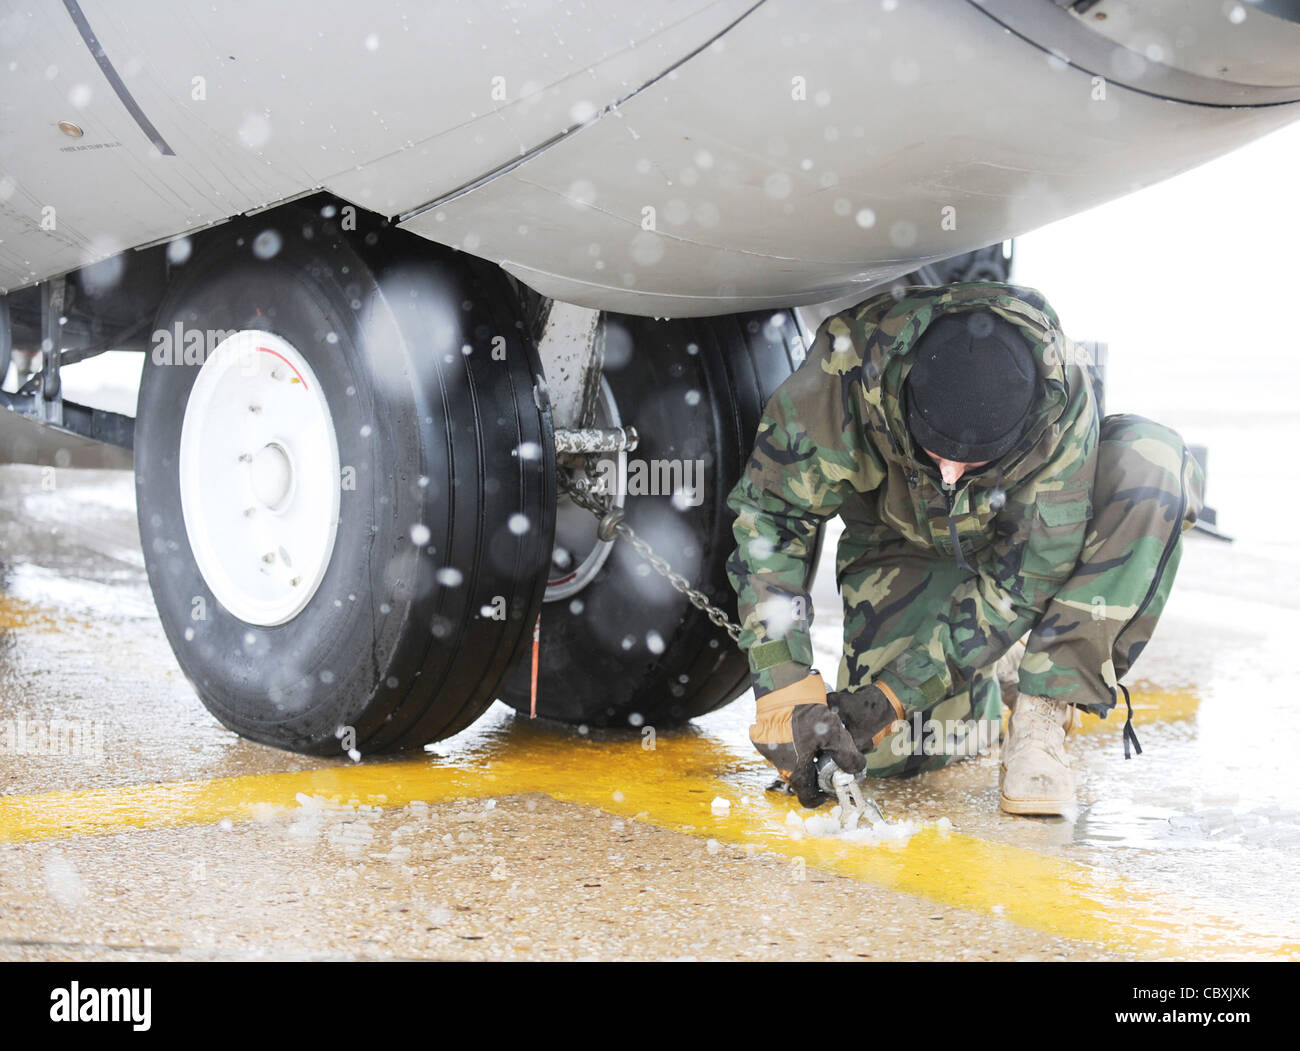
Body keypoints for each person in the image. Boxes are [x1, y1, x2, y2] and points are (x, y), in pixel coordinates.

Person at [726, 281, 1203, 816]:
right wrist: (782, 684)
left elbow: (1020, 586)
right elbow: (771, 519)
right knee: (900, 755)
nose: (950, 472)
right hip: (900, 538)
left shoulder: (1060, 407)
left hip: (1011, 550)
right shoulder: (844, 377)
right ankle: (997, 663)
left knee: (1152, 461)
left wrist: (895, 693)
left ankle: (1044, 703)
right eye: (936, 449)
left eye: (972, 459)